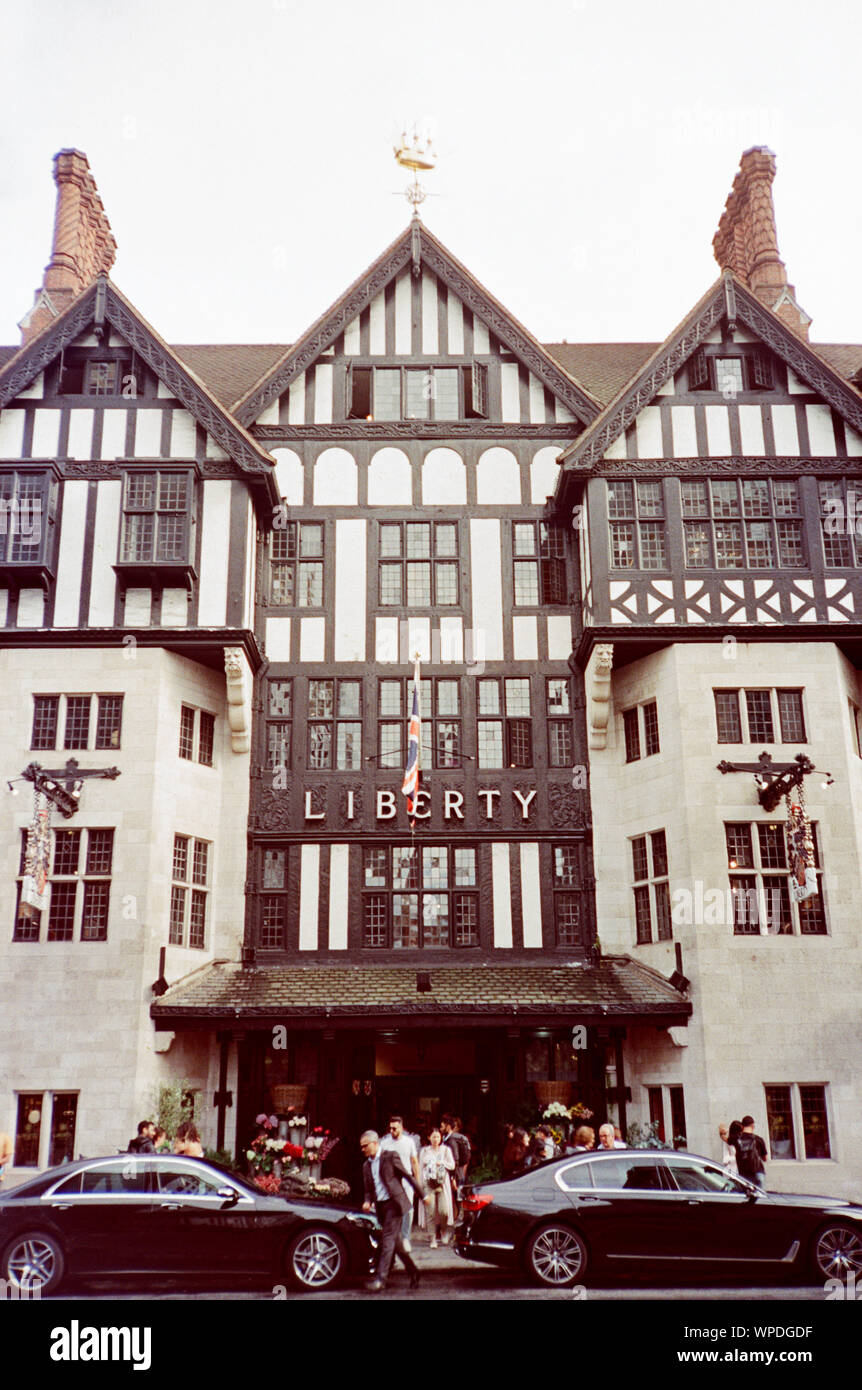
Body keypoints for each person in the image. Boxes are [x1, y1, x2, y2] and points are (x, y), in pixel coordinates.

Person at [361, 1130, 430, 1292]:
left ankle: (381, 1279)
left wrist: (422, 1195)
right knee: (397, 1244)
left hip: (395, 1204)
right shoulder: (366, 1166)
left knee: (387, 1241)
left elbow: (408, 1175)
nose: (363, 1149)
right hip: (381, 1207)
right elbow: (368, 1189)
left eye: (365, 1146)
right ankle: (414, 1272)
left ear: (375, 1143)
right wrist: (367, 1201)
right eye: (361, 1147)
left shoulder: (390, 1157)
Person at [378, 1115, 420, 1251]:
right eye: (390, 1128)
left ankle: (406, 1237)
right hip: (390, 1181)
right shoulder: (384, 1143)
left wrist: (417, 1182)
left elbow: (414, 1161)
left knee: (408, 1210)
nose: (392, 1131)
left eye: (395, 1128)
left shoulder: (409, 1142)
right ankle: (392, 1238)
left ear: (401, 1128)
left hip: (406, 1179)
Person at [418, 1127, 455, 1246]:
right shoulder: (424, 1151)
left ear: (441, 1138)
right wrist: (419, 1185)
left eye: (438, 1136)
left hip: (442, 1183)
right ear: (429, 1137)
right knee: (430, 1212)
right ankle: (432, 1238)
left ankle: (443, 1230)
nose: (435, 1139)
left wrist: (442, 1163)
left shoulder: (445, 1150)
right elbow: (419, 1168)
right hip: (428, 1183)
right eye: (433, 1136)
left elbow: (452, 1165)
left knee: (444, 1210)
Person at [734, 1115, 768, 1189]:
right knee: (760, 1197)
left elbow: (727, 1140)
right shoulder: (759, 1140)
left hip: (744, 1174)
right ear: (753, 1126)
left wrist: (722, 1134)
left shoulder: (736, 1139)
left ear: (742, 1126)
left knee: (746, 1196)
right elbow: (765, 1158)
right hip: (758, 1171)